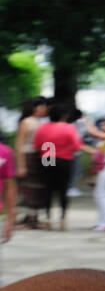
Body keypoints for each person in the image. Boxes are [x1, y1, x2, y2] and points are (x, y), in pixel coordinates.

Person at [32, 104, 81, 232]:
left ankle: (48, 218)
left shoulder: (42, 128)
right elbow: (76, 146)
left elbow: (37, 145)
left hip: (47, 157)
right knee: (63, 190)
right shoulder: (69, 128)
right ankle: (62, 218)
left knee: (47, 190)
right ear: (63, 115)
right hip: (64, 160)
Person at [12, 96, 49, 229]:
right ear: (34, 108)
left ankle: (32, 217)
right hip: (27, 156)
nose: (45, 109)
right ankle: (28, 219)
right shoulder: (26, 122)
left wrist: (49, 162)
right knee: (28, 188)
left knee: (37, 188)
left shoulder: (42, 122)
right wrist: (21, 165)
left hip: (39, 157)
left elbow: (47, 144)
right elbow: (19, 144)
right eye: (42, 106)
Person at [0, 140, 15, 243]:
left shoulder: (4, 152)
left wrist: (9, 220)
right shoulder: (5, 151)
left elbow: (9, 187)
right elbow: (9, 188)